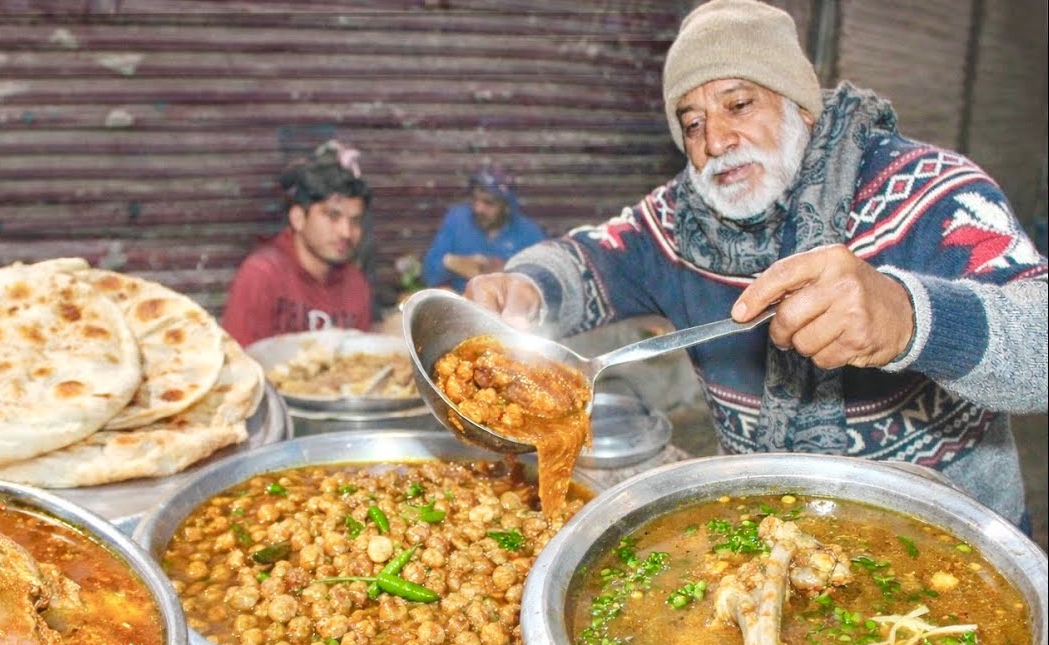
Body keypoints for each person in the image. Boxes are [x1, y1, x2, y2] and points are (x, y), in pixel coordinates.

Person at [464, 0, 1048, 527]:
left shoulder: (935, 194)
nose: (716, 140)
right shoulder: (680, 219)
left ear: (801, 106)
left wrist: (910, 317)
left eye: (739, 104)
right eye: (692, 124)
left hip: (958, 557)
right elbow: (587, 257)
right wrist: (527, 287)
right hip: (769, 543)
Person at [221, 143, 373, 346]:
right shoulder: (262, 275)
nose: (346, 232)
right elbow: (239, 364)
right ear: (298, 218)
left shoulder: (355, 284)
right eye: (333, 216)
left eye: (355, 221)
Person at [422, 164, 545, 292]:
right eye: (475, 200)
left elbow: (544, 284)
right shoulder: (457, 219)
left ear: (507, 207)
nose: (478, 209)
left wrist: (506, 272)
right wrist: (452, 262)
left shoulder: (528, 233)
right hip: (458, 304)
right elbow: (428, 273)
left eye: (489, 203)